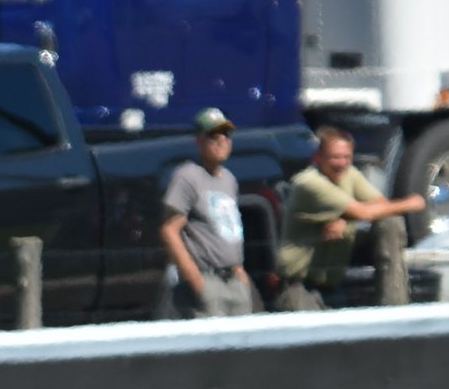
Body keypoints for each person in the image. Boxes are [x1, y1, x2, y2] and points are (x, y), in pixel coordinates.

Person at [274, 126, 427, 310]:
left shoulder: (350, 174)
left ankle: (394, 303)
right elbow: (365, 213)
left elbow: (383, 206)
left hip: (332, 286)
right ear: (318, 157)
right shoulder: (309, 183)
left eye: (347, 157)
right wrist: (410, 203)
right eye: (335, 157)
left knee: (390, 223)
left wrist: (344, 219)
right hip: (299, 287)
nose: (342, 163)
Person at [159, 107, 255, 318]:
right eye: (213, 136)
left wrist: (240, 272)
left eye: (226, 135)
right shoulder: (188, 176)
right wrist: (196, 281)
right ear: (199, 141)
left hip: (234, 279)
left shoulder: (229, 179)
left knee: (244, 346)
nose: (221, 140)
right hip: (207, 279)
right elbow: (169, 230)